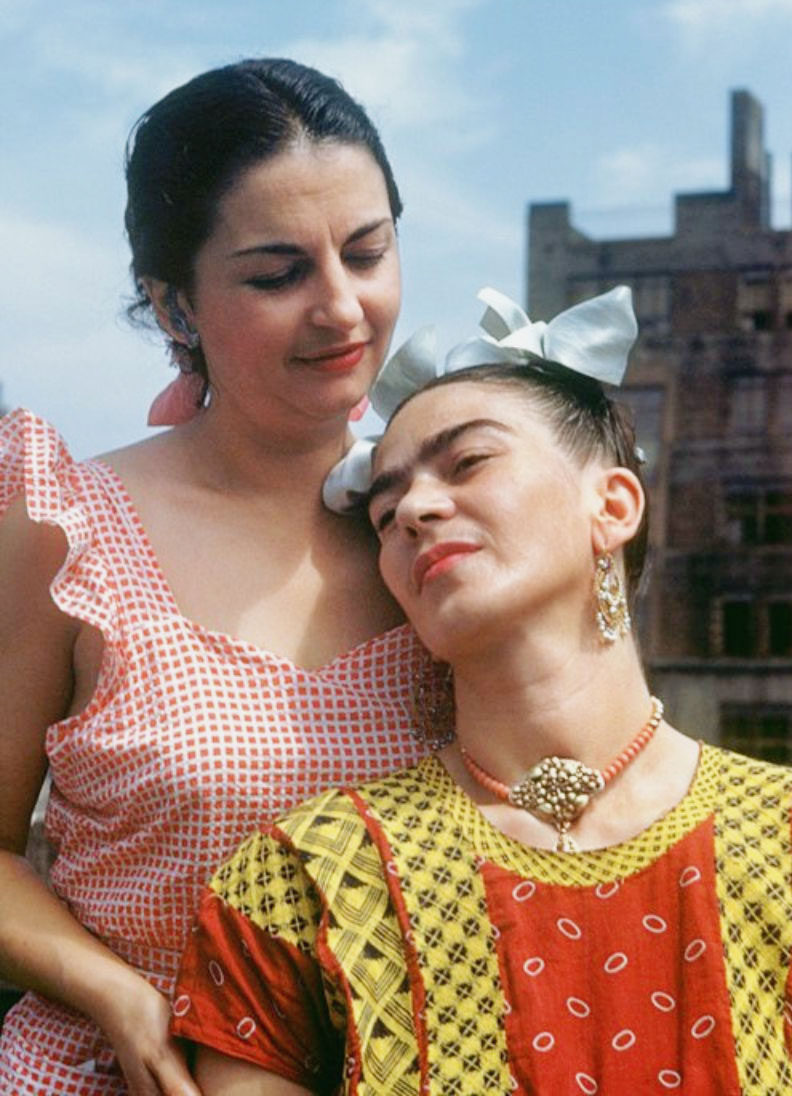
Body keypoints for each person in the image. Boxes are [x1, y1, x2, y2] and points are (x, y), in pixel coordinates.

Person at [170, 286, 792, 1095]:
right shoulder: (299, 880)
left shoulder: (781, 838)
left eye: (468, 462)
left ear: (612, 504)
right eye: (385, 513)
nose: (416, 512)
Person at [0, 58, 431, 1096]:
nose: (342, 309)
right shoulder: (65, 527)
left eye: (367, 253)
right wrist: (121, 998)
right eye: (277, 273)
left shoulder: (440, 520)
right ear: (175, 304)